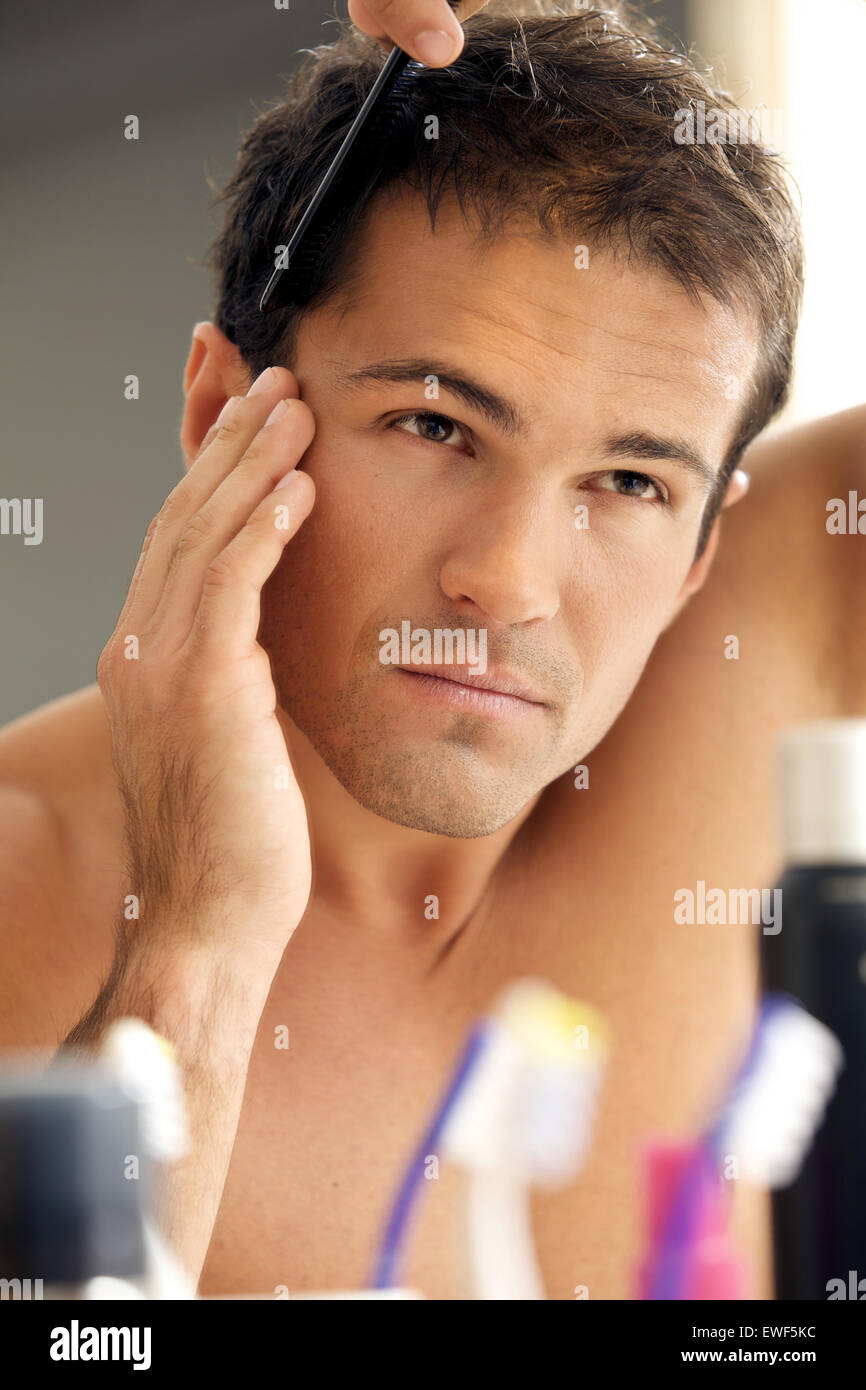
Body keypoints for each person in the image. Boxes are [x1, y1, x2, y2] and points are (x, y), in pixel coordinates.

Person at [0, 0, 863, 1299]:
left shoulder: (784, 606)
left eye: (630, 483)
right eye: (434, 425)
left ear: (701, 547)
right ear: (223, 413)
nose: (509, 583)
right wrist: (195, 944)